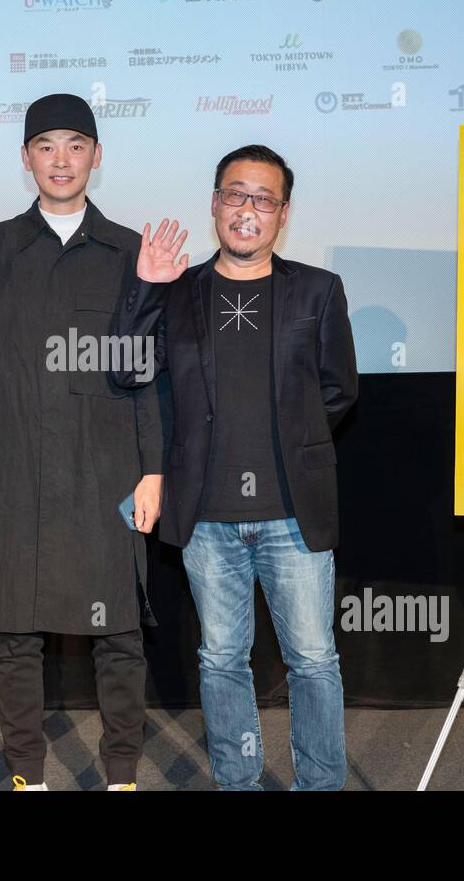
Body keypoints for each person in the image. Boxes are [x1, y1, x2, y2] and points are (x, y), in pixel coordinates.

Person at [0, 94, 171, 791]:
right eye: (45, 146)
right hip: (16, 472)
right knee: (16, 633)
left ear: (97, 155)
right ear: (26, 157)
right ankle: (25, 773)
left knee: (120, 633)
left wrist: (153, 469)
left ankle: (120, 770)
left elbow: (147, 374)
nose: (60, 160)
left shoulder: (131, 252)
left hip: (107, 472)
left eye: (75, 145)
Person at [109, 145, 358, 790]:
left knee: (313, 660)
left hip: (293, 515)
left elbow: (339, 389)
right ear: (215, 203)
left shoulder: (318, 290)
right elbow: (127, 369)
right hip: (207, 516)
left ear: (283, 213)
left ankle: (322, 784)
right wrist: (144, 286)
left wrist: (291, 446)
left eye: (263, 199)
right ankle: (238, 782)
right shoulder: (178, 290)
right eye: (235, 194)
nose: (247, 210)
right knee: (222, 660)